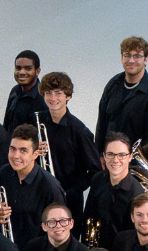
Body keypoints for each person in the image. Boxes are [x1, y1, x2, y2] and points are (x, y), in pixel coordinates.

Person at [37, 71, 101, 214]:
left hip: (69, 201)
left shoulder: (80, 131)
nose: (53, 98)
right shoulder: (38, 123)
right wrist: (34, 150)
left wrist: (69, 192)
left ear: (68, 96)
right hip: (42, 196)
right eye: (48, 93)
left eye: (58, 93)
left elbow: (94, 171)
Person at [0, 126, 67, 246]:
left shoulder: (51, 188)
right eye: (12, 149)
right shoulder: (4, 173)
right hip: (7, 250)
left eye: (23, 151)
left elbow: (58, 233)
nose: (16, 156)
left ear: (35, 154)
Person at [95, 36, 148, 146]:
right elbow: (101, 125)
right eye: (127, 55)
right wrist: (100, 155)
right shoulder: (112, 84)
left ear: (145, 60)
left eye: (137, 56)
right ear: (121, 58)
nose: (131, 60)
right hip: (109, 158)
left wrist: (129, 160)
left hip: (136, 161)